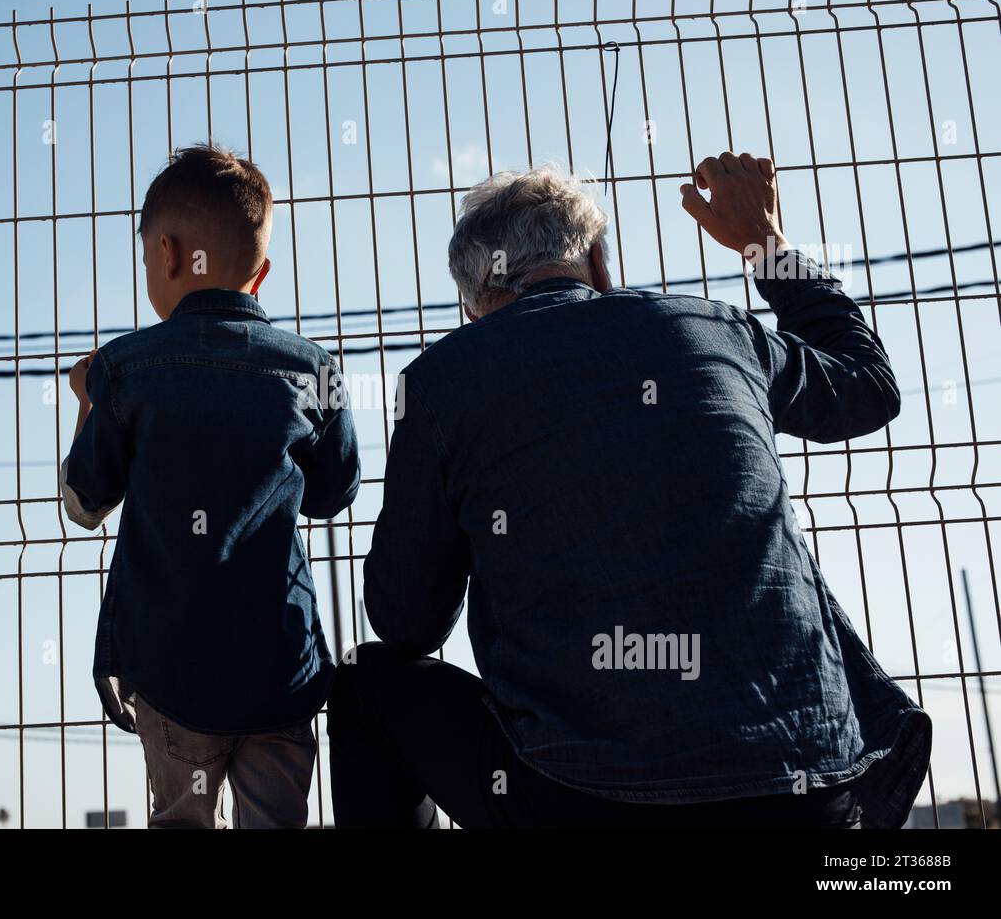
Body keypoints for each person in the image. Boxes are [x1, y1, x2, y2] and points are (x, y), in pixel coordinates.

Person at [327, 151, 931, 829]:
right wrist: (768, 243)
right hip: (807, 787)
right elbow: (867, 386)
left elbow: (405, 622)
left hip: (579, 801)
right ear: (600, 267)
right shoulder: (719, 331)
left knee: (365, 682)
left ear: (474, 305)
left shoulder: (442, 382)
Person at [61, 144, 360, 828]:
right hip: (280, 668)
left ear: (167, 254)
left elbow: (83, 504)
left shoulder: (125, 369)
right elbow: (334, 492)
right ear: (261, 275)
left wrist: (86, 398)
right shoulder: (316, 370)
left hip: (171, 669)